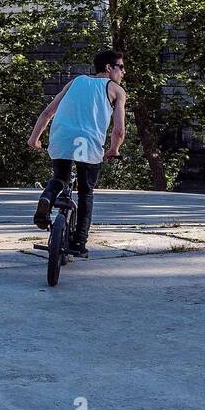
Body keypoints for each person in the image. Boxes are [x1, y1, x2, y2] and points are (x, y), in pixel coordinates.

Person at [25, 49, 127, 257]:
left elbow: (47, 112)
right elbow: (119, 130)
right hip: (88, 144)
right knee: (86, 192)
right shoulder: (116, 89)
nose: (123, 72)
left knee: (60, 178)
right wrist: (113, 150)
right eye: (121, 67)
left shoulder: (76, 82)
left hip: (61, 139)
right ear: (109, 68)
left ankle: (47, 198)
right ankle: (79, 242)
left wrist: (34, 139)